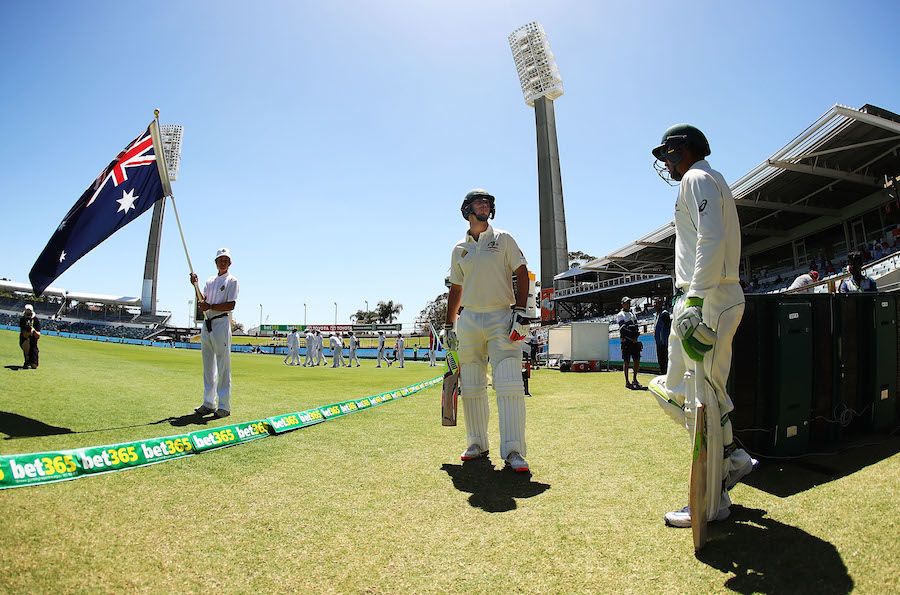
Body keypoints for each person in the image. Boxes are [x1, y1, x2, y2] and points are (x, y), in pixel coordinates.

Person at [649, 124, 755, 528]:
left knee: (701, 399)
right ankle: (731, 457)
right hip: (707, 296)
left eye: (669, 155)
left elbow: (710, 239)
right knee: (687, 390)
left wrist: (694, 296)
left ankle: (710, 503)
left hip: (708, 299)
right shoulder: (709, 179)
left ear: (684, 151)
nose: (667, 164)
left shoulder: (697, 177)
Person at [444, 188, 531, 473]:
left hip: (500, 316)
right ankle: (477, 444)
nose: (484, 206)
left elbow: (520, 272)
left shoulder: (503, 238)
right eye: (479, 202)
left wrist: (520, 312)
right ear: (466, 209)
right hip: (469, 320)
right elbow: (455, 288)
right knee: (470, 385)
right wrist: (449, 324)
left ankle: (514, 451)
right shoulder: (460, 249)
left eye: (488, 203)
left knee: (508, 384)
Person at [191, 248, 239, 418]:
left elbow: (230, 305)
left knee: (223, 365)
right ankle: (208, 402)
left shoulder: (232, 281)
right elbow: (203, 300)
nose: (223, 262)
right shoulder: (210, 281)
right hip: (207, 322)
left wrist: (209, 306)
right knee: (208, 365)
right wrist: (195, 285)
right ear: (216, 262)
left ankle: (224, 405)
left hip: (221, 322)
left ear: (230, 263)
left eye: (226, 259)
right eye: (220, 259)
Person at [616, 297, 643, 389]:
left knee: (637, 359)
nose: (628, 304)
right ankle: (627, 381)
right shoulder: (620, 315)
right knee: (626, 361)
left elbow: (636, 327)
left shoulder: (632, 314)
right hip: (626, 341)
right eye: (626, 303)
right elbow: (623, 329)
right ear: (622, 304)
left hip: (634, 341)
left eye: (629, 302)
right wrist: (632, 338)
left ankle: (635, 379)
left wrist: (636, 337)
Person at [19, 304, 41, 369]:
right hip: (24, 340)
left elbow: (38, 336)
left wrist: (33, 330)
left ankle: (31, 360)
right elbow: (24, 335)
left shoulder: (36, 320)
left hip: (33, 344)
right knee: (26, 341)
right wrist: (28, 330)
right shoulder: (22, 320)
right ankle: (27, 360)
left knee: (34, 366)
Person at [653, 298, 671, 375]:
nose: (654, 305)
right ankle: (663, 374)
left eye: (656, 303)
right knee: (661, 361)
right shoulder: (656, 315)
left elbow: (668, 327)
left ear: (660, 304)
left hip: (664, 343)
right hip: (659, 343)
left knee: (665, 361)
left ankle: (666, 375)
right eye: (654, 303)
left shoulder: (664, 314)